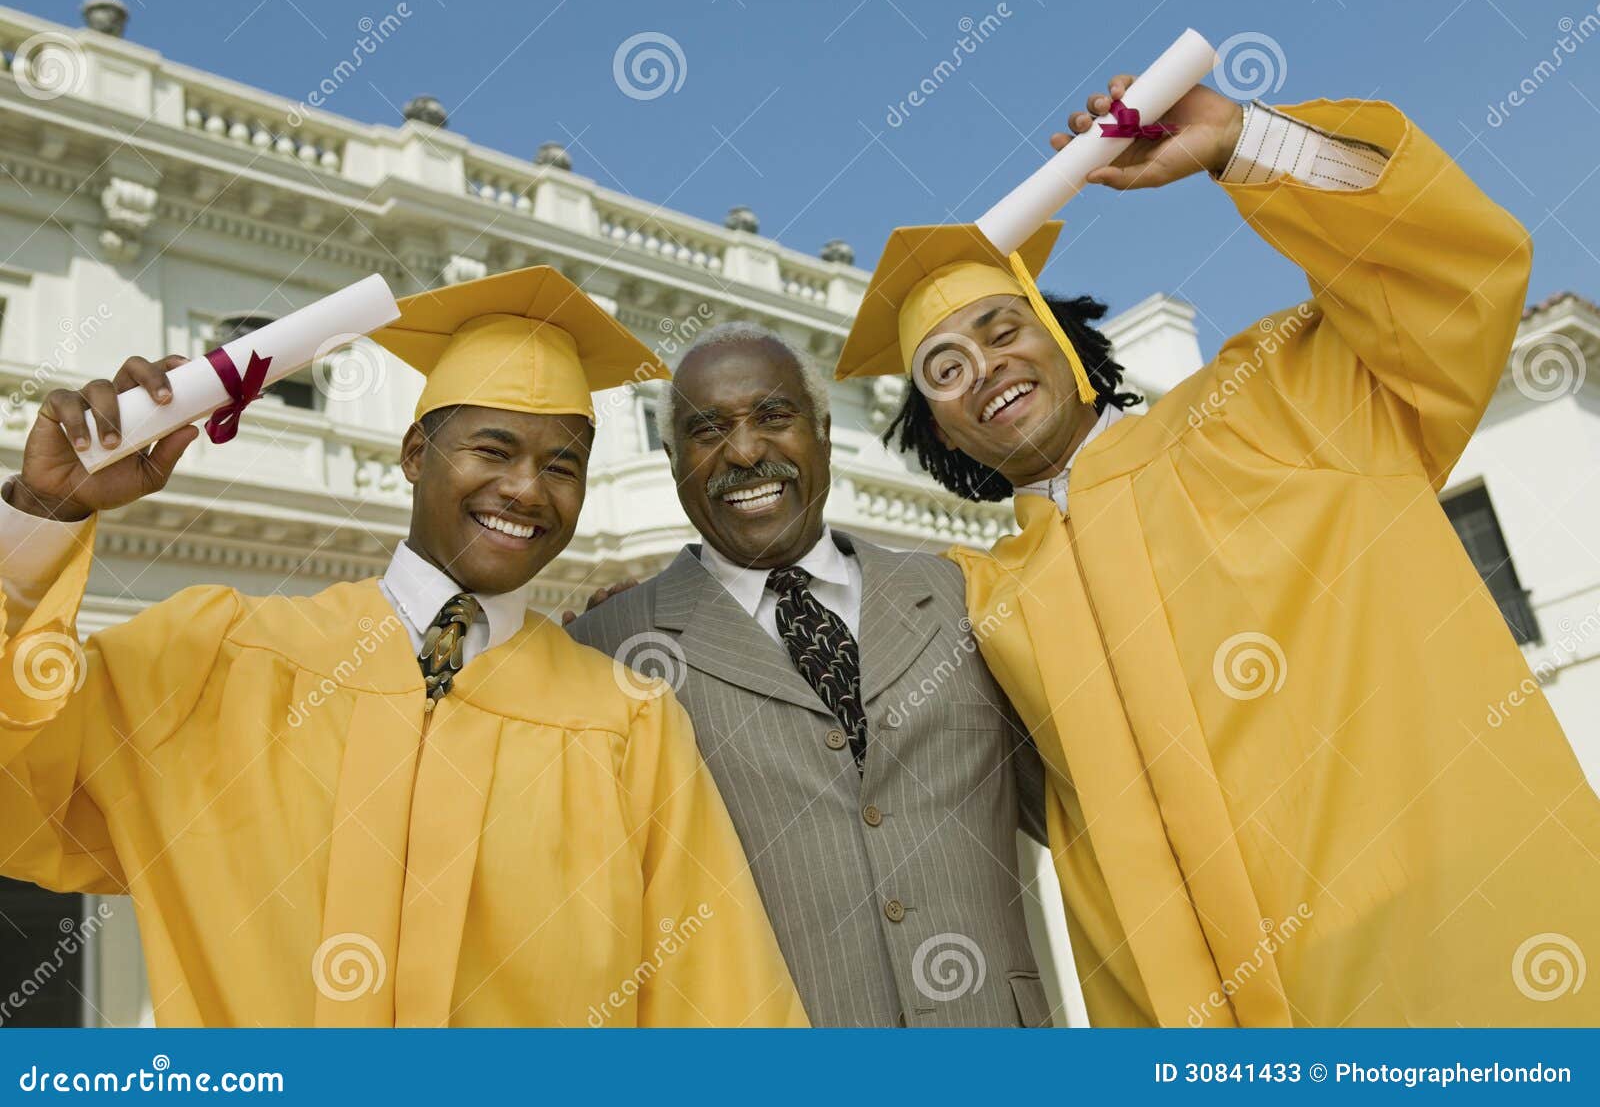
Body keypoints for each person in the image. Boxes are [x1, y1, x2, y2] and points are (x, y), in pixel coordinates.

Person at [837, 72, 1600, 1026]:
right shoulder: (981, 601)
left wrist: (1240, 140)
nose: (983, 367)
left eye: (1004, 329)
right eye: (943, 371)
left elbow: (1451, 277)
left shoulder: (1278, 406)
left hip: (1464, 978)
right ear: (944, 435)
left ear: (1071, 345)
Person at [0, 267, 806, 1028]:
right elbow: (18, 780)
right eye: (492, 450)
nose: (527, 489)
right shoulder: (219, 658)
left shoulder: (628, 724)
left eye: (562, 466)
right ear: (416, 455)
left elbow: (722, 1004)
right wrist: (43, 512)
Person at [566, 322, 1053, 1026]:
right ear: (674, 463)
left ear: (824, 433)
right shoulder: (606, 648)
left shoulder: (960, 597)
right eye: (707, 432)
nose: (744, 450)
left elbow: (1082, 799)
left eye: (773, 416)